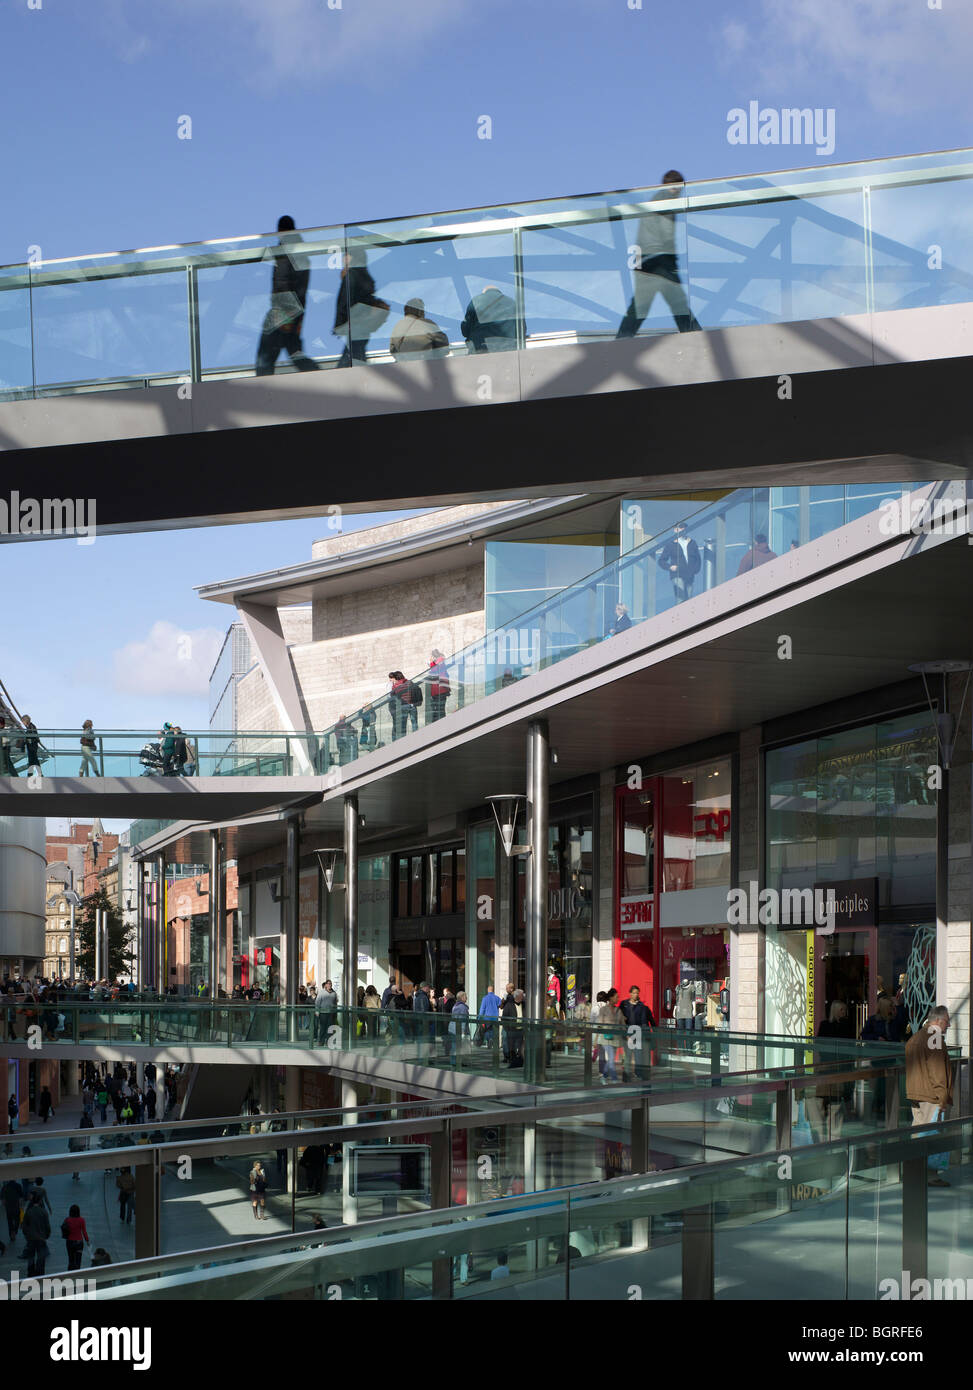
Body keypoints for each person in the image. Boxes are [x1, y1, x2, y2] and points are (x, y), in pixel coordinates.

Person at [616, 170, 700, 337]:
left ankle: (622, 338)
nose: (677, 191)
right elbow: (666, 233)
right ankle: (697, 336)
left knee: (641, 306)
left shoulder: (655, 200)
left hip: (645, 259)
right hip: (658, 259)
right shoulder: (665, 202)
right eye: (675, 187)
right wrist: (672, 260)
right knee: (678, 302)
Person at [255, 216, 321, 376]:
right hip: (294, 310)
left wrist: (282, 311)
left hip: (282, 310)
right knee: (294, 352)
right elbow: (301, 289)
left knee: (265, 357)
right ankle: (317, 375)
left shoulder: (286, 250)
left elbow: (282, 283)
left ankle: (262, 388)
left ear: (281, 231)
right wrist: (297, 316)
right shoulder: (300, 251)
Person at [906, 1005, 953, 1187]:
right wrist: (943, 1097)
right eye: (947, 1022)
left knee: (918, 1132)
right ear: (939, 1021)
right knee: (931, 1136)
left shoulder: (916, 1037)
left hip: (916, 1094)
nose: (948, 1026)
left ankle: (916, 1172)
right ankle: (930, 1175)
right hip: (931, 1096)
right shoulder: (934, 1037)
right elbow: (937, 1071)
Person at [333, 247, 388, 366]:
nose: (343, 258)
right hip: (362, 323)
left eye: (346, 255)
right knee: (357, 353)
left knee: (351, 355)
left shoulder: (352, 275)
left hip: (354, 323)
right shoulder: (365, 276)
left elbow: (345, 301)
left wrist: (340, 323)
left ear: (352, 257)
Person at [461, 286, 518, 353]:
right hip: (508, 349)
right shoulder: (511, 302)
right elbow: (522, 328)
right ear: (499, 292)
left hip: (481, 348)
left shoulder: (477, 300)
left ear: (484, 292)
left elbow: (465, 329)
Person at [657, 521, 701, 604]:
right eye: (680, 527)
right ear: (675, 530)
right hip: (677, 574)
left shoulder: (692, 542)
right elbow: (661, 561)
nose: (683, 529)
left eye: (684, 527)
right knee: (680, 598)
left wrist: (695, 570)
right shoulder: (670, 544)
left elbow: (697, 558)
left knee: (689, 598)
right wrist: (670, 567)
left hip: (689, 573)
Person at [620, 984, 656, 1081]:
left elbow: (645, 1021)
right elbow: (620, 1018)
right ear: (630, 993)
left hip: (637, 1032)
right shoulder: (624, 1004)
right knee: (627, 1055)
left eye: (637, 993)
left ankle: (638, 1073)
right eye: (634, 993)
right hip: (628, 1032)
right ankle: (626, 1074)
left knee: (638, 1055)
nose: (636, 995)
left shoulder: (642, 1006)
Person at [598, 988, 624, 1083]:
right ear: (611, 998)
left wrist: (627, 1035)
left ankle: (604, 1076)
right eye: (616, 997)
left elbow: (623, 1024)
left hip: (616, 1039)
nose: (618, 999)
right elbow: (599, 1024)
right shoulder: (603, 1010)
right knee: (612, 1059)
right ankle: (614, 1079)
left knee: (610, 1060)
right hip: (606, 1038)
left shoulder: (618, 1010)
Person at [22, 1192, 51, 1277]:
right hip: (41, 1238)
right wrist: (47, 1235)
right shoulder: (44, 1212)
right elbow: (47, 1226)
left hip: (31, 1238)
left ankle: (30, 1272)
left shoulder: (29, 1212)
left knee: (31, 1256)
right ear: (40, 1201)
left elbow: (24, 1226)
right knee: (41, 1257)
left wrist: (27, 1235)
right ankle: (40, 1273)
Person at [61, 1203, 90, 1271]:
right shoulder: (81, 1220)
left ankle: (70, 1272)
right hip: (79, 1242)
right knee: (78, 1259)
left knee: (71, 1259)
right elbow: (84, 1232)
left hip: (70, 1242)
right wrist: (87, 1240)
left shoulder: (67, 1220)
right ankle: (77, 1272)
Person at [502, 988, 525, 1068]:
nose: (523, 997)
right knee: (511, 1047)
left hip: (521, 1029)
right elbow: (504, 1018)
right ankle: (512, 1062)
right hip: (511, 1030)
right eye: (522, 995)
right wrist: (507, 1029)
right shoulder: (509, 1005)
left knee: (520, 1047)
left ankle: (519, 1062)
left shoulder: (524, 1004)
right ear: (518, 996)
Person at [427, 650, 450, 722]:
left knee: (440, 709)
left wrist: (431, 663)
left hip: (440, 689)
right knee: (438, 709)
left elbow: (435, 671)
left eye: (432, 656)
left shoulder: (440, 661)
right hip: (438, 690)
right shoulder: (439, 662)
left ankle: (442, 724)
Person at [448, 991, 470, 1067]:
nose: (466, 998)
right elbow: (462, 1020)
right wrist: (463, 1032)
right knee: (458, 1046)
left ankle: (454, 1061)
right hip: (458, 1029)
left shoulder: (455, 1006)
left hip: (452, 1028)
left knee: (454, 1045)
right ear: (462, 997)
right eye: (465, 996)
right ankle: (456, 1062)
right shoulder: (463, 1007)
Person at [315, 979, 338, 1045]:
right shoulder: (321, 992)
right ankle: (321, 1041)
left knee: (330, 1028)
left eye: (330, 983)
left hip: (331, 1013)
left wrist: (335, 1011)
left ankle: (329, 1041)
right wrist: (317, 1011)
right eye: (328, 983)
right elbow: (317, 1002)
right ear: (325, 985)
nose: (329, 985)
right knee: (323, 1027)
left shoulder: (334, 993)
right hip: (323, 1013)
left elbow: (335, 1003)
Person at [2, 1175, 22, 1244]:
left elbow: (3, 1200)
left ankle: (11, 1234)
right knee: (17, 1220)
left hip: (9, 1208)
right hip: (16, 1206)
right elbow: (21, 1197)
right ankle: (15, 1231)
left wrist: (5, 1206)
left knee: (9, 1222)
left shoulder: (5, 1187)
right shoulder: (18, 1186)